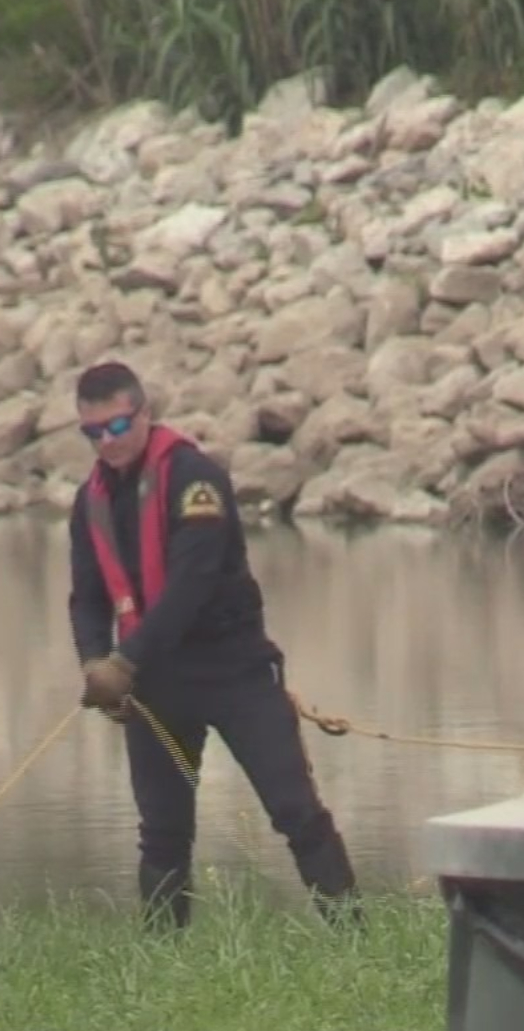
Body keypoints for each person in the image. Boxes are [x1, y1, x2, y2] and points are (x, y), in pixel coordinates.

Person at [69, 361, 361, 930]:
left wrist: (125, 660)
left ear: (145, 415)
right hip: (157, 690)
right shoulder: (90, 501)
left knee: (295, 810)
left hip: (235, 677)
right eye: (93, 432)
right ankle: (162, 962)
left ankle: (357, 938)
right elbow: (86, 597)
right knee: (163, 832)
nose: (107, 441)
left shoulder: (194, 479)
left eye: (117, 426)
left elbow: (192, 585)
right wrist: (95, 665)